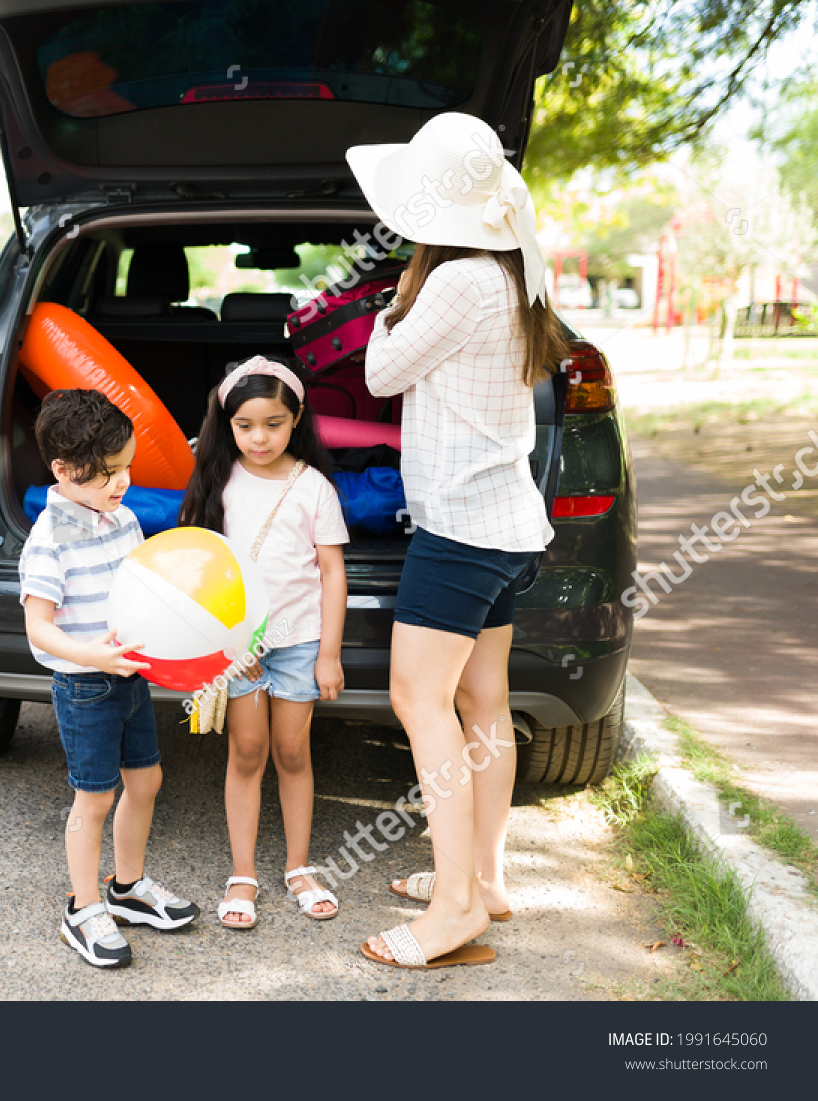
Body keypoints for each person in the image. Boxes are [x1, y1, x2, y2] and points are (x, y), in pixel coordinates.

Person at [345, 112, 569, 969]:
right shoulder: (511, 274)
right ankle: (486, 875)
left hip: (461, 529)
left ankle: (454, 908)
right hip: (506, 520)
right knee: (483, 702)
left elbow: (378, 374)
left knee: (419, 701)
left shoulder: (456, 282)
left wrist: (384, 308)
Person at [19, 389, 200, 968]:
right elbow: (39, 630)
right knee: (93, 798)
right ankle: (84, 906)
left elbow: (141, 591)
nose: (122, 483)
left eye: (126, 468)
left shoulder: (121, 519)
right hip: (85, 686)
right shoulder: (47, 541)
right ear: (64, 471)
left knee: (145, 784)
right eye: (107, 474)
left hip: (129, 678)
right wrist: (90, 655)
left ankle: (127, 886)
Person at [179, 358, 348, 930]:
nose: (259, 438)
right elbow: (202, 569)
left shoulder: (313, 488)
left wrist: (329, 653)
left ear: (296, 418)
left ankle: (298, 867)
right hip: (241, 648)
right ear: (227, 425)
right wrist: (225, 641)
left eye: (273, 424)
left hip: (300, 644)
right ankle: (243, 872)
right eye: (245, 425)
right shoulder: (218, 482)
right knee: (246, 753)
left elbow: (331, 573)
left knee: (293, 753)